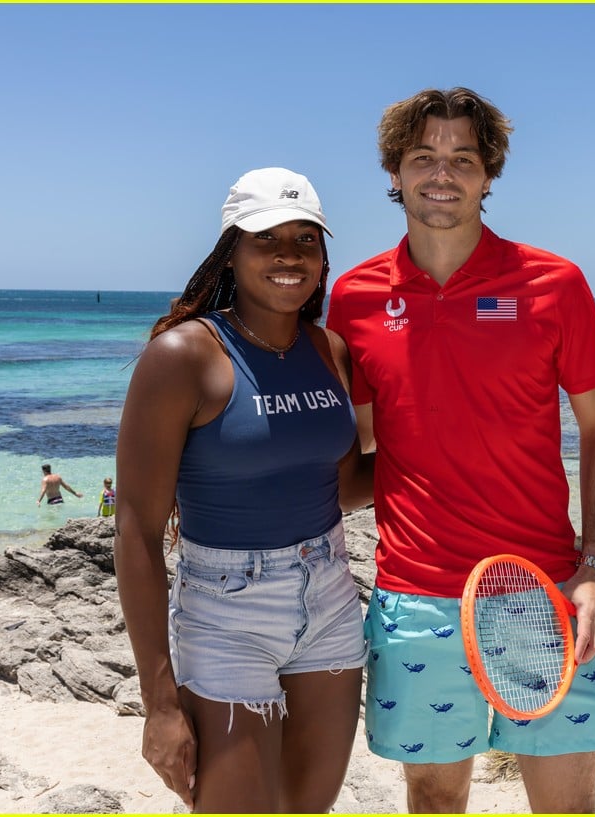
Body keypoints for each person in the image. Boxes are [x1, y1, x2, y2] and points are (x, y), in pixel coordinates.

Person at [327, 87, 595, 814]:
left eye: (463, 158)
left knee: (567, 806)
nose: (442, 172)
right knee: (432, 799)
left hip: (542, 588)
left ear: (489, 174)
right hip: (414, 595)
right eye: (423, 156)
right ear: (393, 171)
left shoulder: (554, 283)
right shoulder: (355, 297)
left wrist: (592, 568)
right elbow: (359, 451)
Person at [112, 168, 373, 813]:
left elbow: (343, 489)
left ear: (323, 256)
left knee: (307, 808)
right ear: (232, 251)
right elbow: (136, 532)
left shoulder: (330, 349)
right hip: (226, 613)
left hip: (333, 598)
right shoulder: (183, 356)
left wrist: (445, 448)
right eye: (267, 239)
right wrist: (159, 704)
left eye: (305, 240)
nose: (289, 255)